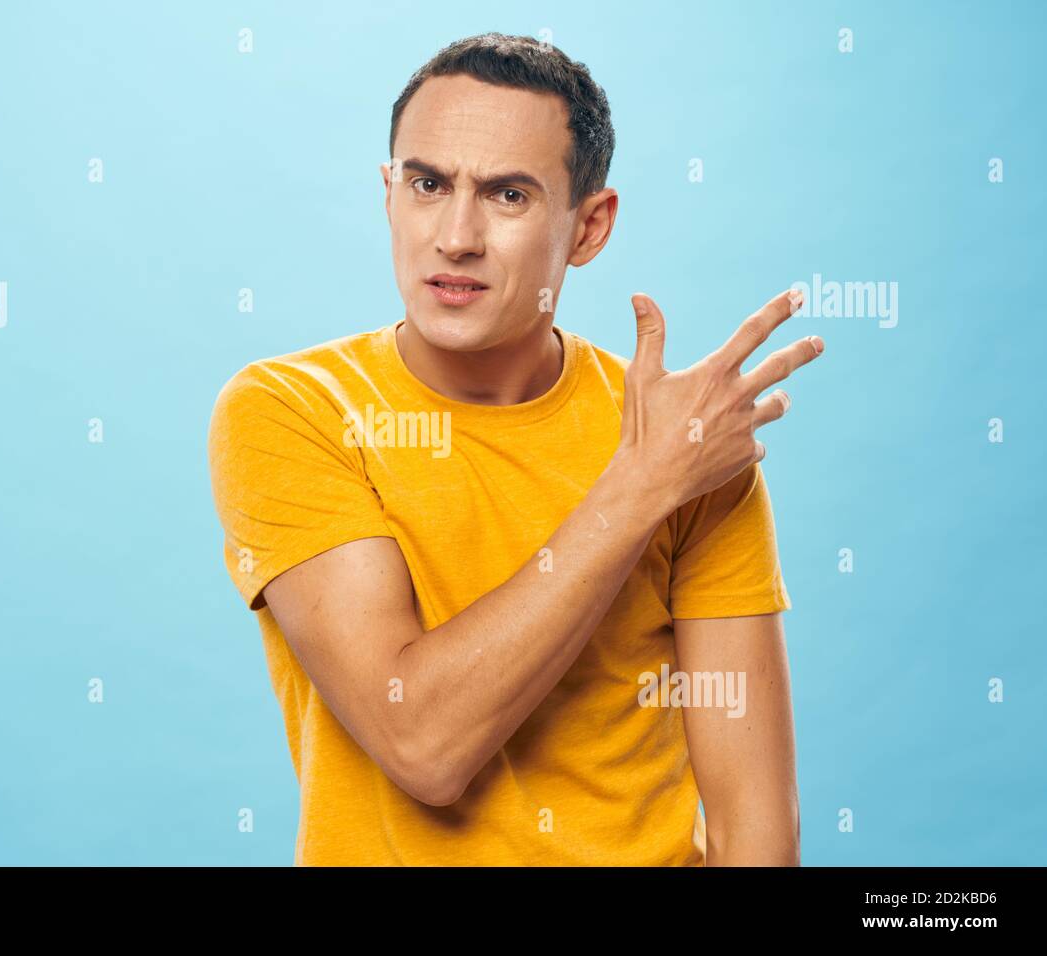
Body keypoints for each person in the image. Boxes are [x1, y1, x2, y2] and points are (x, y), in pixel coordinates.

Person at [207, 32, 824, 866]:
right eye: (427, 184)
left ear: (589, 226)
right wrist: (643, 486)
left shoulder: (688, 443)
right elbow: (422, 741)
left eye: (507, 196)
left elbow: (758, 831)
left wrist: (664, 469)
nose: (455, 236)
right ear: (389, 196)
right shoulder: (290, 411)